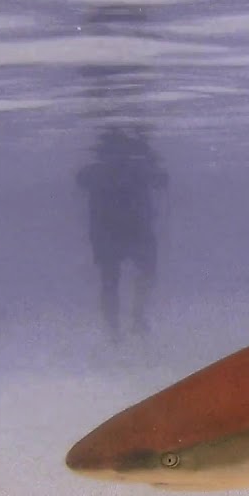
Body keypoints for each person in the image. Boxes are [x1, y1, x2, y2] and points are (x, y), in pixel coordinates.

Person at [76, 124, 168, 343]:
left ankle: (128, 322)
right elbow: (162, 180)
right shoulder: (125, 169)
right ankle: (120, 327)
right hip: (117, 232)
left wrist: (147, 159)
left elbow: (162, 180)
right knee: (115, 281)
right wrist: (148, 157)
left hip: (122, 232)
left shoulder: (104, 171)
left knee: (129, 277)